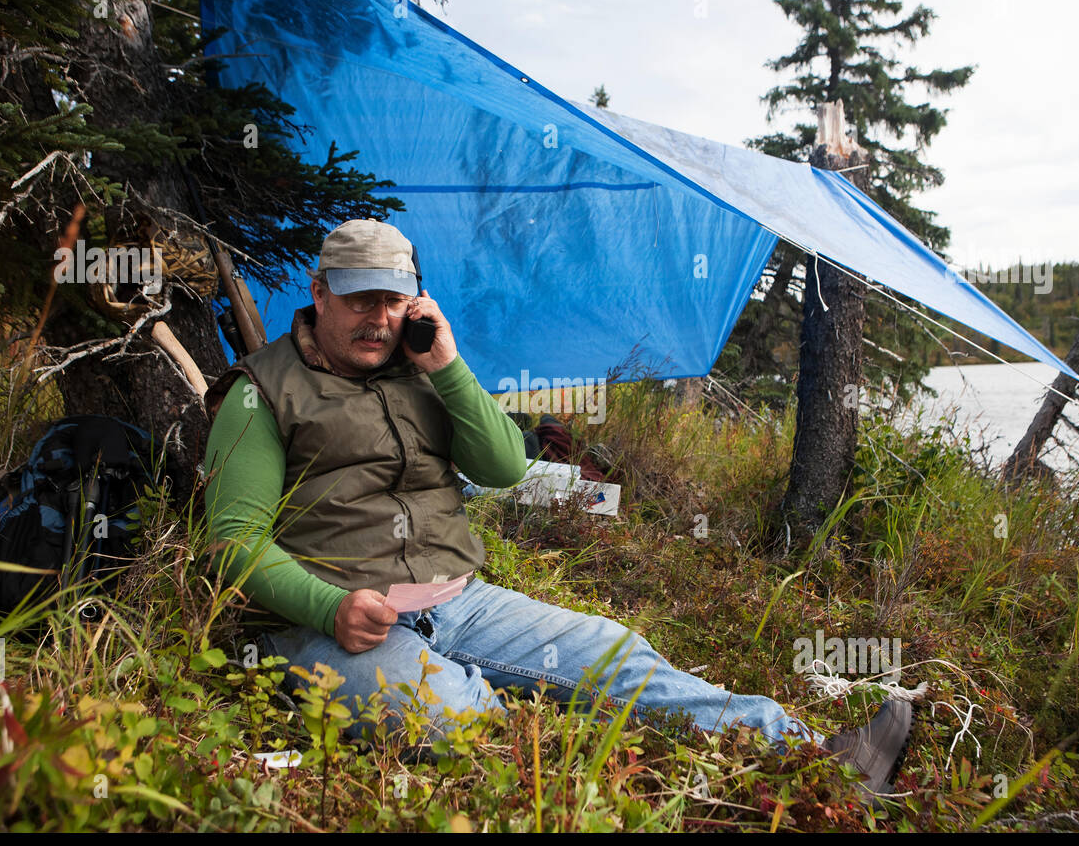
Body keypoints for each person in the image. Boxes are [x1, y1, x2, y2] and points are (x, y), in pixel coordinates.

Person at [204, 219, 913, 795]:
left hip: (457, 599)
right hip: (326, 623)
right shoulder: (259, 391)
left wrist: (448, 366)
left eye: (394, 302)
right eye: (360, 300)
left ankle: (823, 754)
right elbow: (233, 541)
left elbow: (505, 466)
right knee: (445, 720)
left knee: (615, 653)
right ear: (319, 291)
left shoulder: (423, 370)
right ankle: (525, 730)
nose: (378, 320)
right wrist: (329, 608)